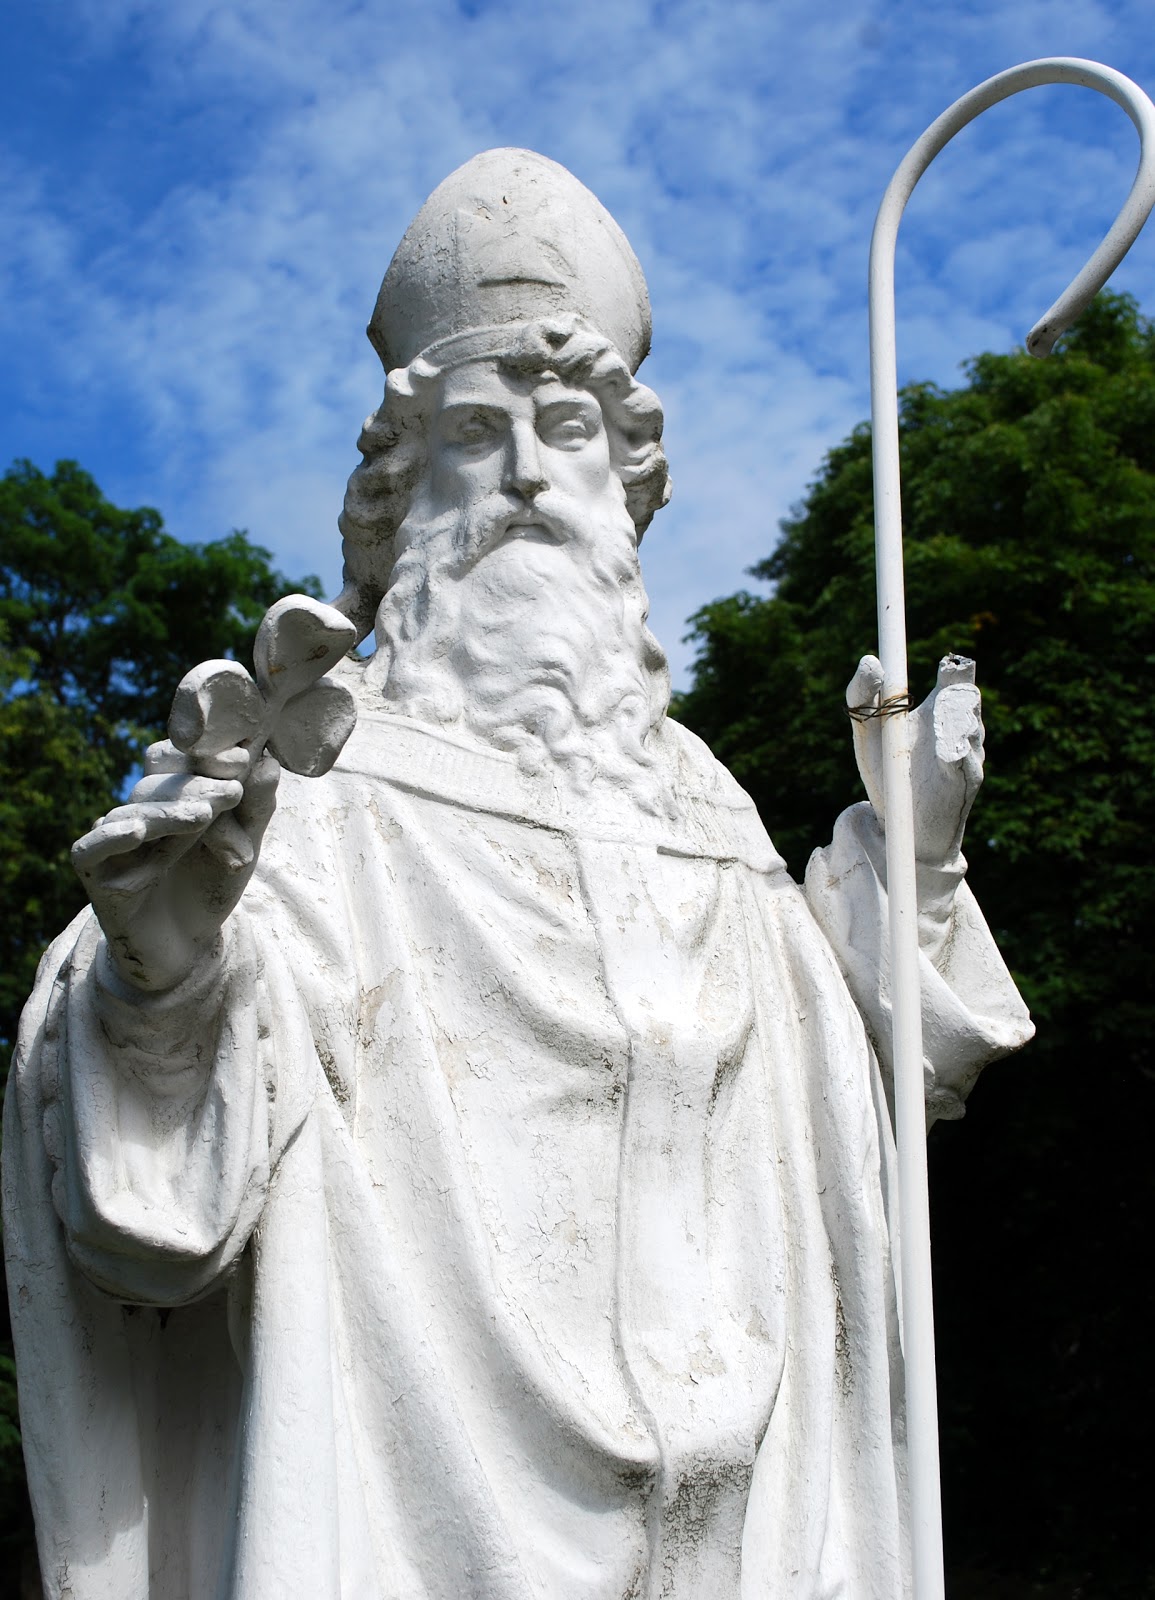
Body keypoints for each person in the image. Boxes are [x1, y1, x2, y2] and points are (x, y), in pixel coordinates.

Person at [3, 150, 1032, 1600]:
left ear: (630, 488)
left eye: (570, 430)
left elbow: (878, 1130)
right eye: (479, 434)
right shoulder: (305, 800)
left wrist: (915, 873)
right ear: (402, 497)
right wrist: (161, 991)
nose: (533, 473)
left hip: (760, 1540)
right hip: (424, 1537)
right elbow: (150, 1225)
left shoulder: (708, 813)